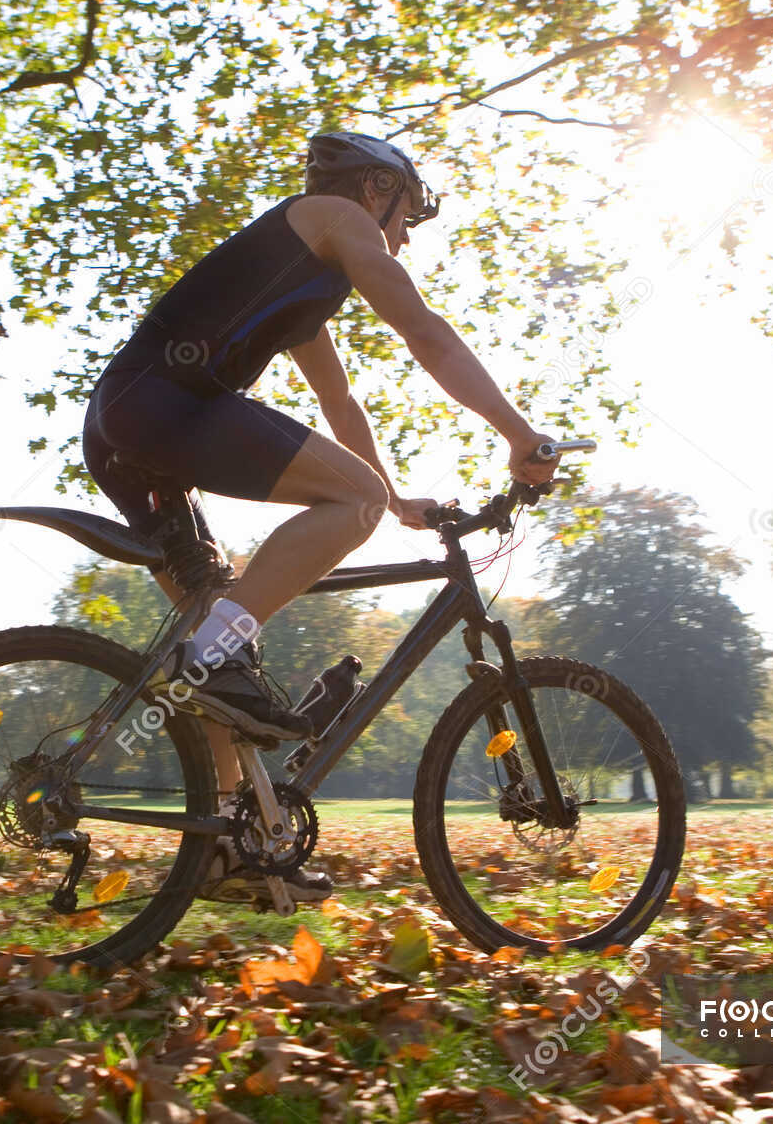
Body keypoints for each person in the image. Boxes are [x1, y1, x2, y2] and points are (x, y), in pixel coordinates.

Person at [82, 132, 557, 905]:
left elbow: (341, 404)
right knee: (241, 621)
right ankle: (210, 654)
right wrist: (516, 432)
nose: (403, 237)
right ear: (377, 187)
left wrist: (394, 498)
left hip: (122, 423)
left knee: (221, 653)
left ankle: (222, 849)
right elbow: (424, 331)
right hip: (161, 406)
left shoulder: (300, 274)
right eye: (406, 215)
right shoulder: (338, 217)